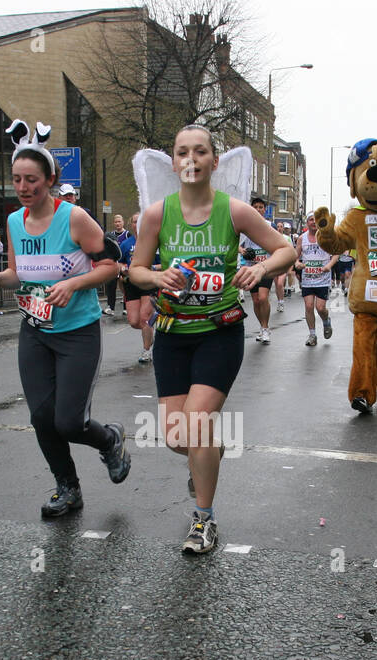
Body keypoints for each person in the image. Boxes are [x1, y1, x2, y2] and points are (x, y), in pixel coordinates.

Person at [128, 124, 296, 553]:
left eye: (199, 152)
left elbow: (285, 249)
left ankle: (203, 520)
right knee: (176, 437)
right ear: (173, 162)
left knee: (196, 425)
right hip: (171, 333)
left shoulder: (234, 211)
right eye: (182, 152)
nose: (191, 159)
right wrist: (156, 276)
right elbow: (136, 270)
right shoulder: (156, 215)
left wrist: (260, 269)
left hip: (219, 331)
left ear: (213, 161)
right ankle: (210, 455)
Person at [0, 119, 129, 519]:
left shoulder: (73, 218)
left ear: (51, 179)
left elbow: (112, 265)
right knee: (42, 417)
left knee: (69, 421)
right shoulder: (12, 221)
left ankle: (109, 440)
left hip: (77, 332)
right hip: (35, 330)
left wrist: (74, 285)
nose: (23, 188)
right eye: (17, 179)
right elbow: (16, 274)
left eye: (32, 180)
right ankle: (67, 488)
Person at [239, 197, 279, 342]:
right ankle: (262, 328)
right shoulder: (244, 226)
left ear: (264, 210)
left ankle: (266, 328)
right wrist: (242, 251)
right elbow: (235, 243)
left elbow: (279, 244)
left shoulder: (270, 225)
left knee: (263, 297)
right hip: (251, 267)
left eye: (261, 207)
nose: (258, 209)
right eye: (255, 206)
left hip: (266, 268)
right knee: (256, 301)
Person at [118, 211, 155, 363]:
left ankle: (146, 351)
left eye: (140, 221)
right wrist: (122, 268)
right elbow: (118, 262)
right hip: (131, 284)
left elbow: (165, 263)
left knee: (144, 318)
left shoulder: (153, 241)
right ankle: (152, 330)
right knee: (134, 321)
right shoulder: (126, 244)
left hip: (148, 282)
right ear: (131, 225)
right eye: (134, 221)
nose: (137, 223)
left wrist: (151, 267)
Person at [296, 213, 334, 346]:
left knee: (320, 308)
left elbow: (336, 253)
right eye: (311, 220)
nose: (313, 222)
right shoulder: (302, 239)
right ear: (307, 223)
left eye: (316, 220)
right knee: (309, 306)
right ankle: (312, 335)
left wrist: (329, 265)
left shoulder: (326, 237)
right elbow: (295, 255)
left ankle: (326, 321)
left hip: (322, 279)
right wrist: (297, 263)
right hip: (307, 279)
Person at [103, 214, 128, 315]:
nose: (118, 223)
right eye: (116, 222)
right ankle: (111, 308)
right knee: (111, 285)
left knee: (126, 286)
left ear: (123, 222)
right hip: (114, 264)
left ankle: (127, 307)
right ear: (114, 223)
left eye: (119, 221)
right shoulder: (111, 235)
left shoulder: (127, 234)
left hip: (124, 264)